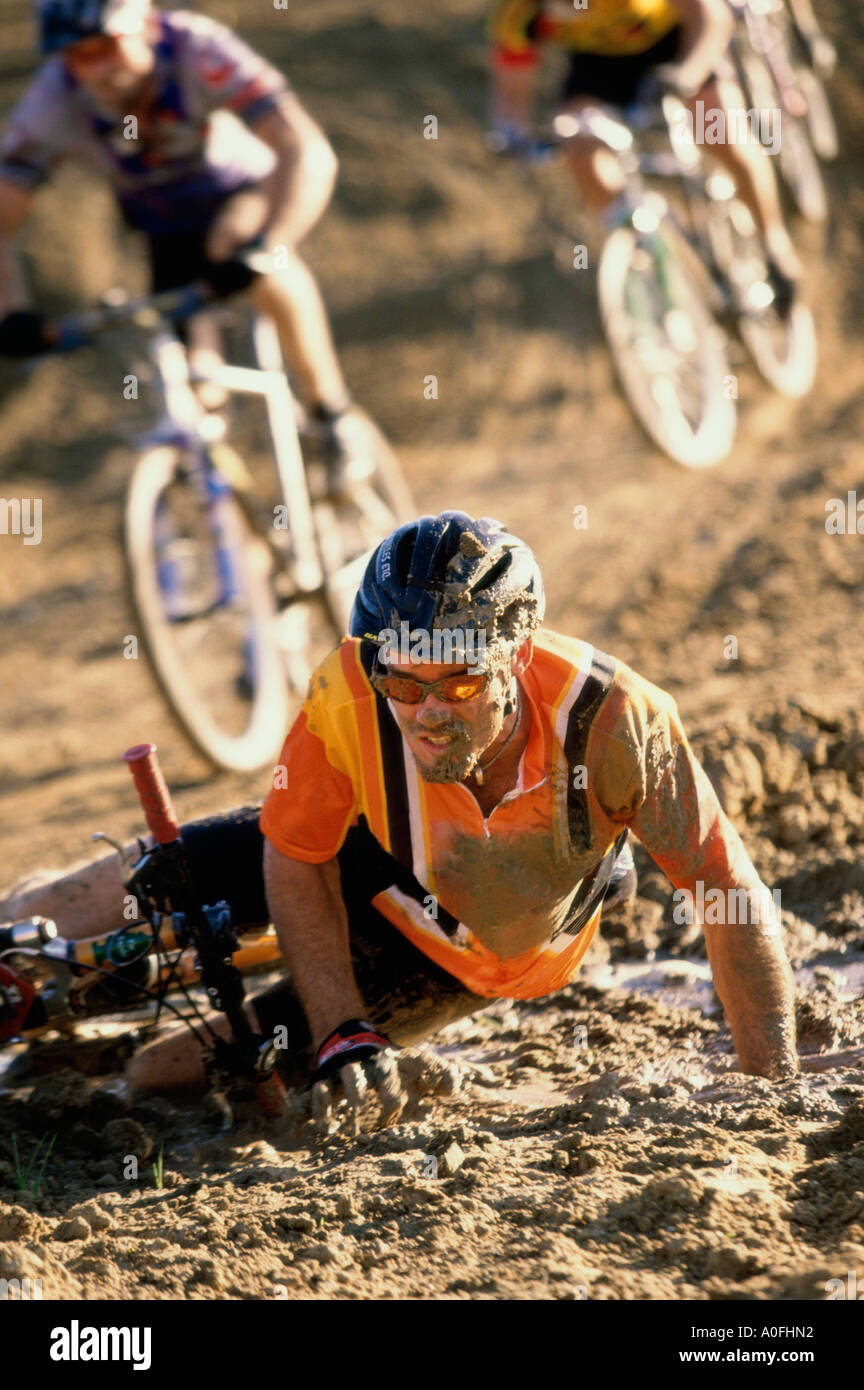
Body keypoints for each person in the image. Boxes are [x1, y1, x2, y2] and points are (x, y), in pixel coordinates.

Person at [1, 510, 799, 1127]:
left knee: (162, 1077)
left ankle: (88, 1056)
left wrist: (772, 1086)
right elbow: (292, 852)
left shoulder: (622, 721)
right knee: (52, 910)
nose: (425, 712)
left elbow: (725, 885)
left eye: (455, 686)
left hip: (463, 954)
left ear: (516, 655)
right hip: (361, 849)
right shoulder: (350, 686)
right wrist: (342, 1024)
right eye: (403, 685)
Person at [0, 0, 374, 494]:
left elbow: (306, 150)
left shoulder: (197, 48)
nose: (99, 68)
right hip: (165, 231)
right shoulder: (53, 100)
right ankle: (230, 533)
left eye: (109, 45)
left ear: (148, 26)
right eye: (78, 55)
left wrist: (271, 244)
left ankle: (332, 414)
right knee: (194, 392)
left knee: (235, 244)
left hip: (249, 195)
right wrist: (14, 311)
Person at [487, 0, 803, 311]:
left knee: (721, 134)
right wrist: (512, 136)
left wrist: (687, 76)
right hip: (598, 68)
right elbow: (512, 91)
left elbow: (712, 18)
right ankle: (642, 250)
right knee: (576, 141)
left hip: (678, 43)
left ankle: (775, 243)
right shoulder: (519, 12)